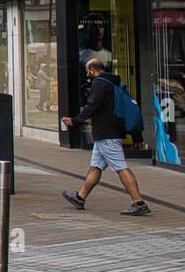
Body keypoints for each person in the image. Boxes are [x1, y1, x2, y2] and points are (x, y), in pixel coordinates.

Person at [60, 58, 150, 216]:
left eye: (88, 71)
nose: (88, 75)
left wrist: (75, 121)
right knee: (95, 167)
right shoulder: (113, 83)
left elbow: (92, 106)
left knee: (121, 167)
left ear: (92, 70)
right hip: (106, 133)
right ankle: (80, 197)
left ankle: (139, 202)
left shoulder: (100, 83)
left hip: (107, 133)